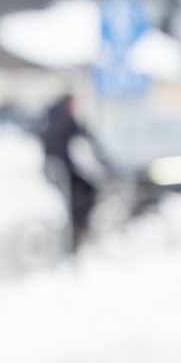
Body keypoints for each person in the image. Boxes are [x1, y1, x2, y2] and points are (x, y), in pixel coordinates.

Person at [38, 93, 113, 253]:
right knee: (82, 195)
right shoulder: (64, 119)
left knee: (79, 194)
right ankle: (75, 235)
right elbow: (82, 133)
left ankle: (75, 233)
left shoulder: (52, 117)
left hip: (56, 168)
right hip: (61, 169)